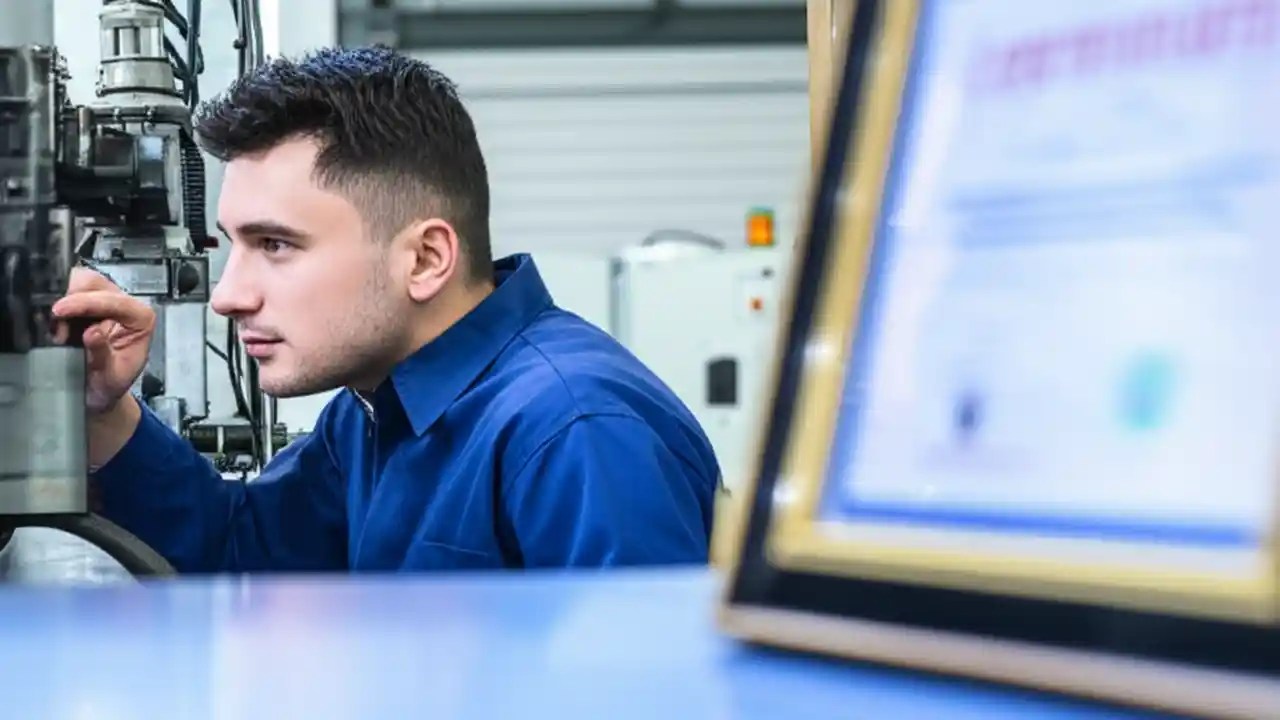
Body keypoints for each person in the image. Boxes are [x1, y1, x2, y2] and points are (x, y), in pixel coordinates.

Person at [52, 46, 721, 573]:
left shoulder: (573, 431)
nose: (229, 295)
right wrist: (107, 407)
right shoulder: (373, 411)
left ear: (426, 259)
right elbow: (246, 559)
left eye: (275, 245)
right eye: (235, 246)